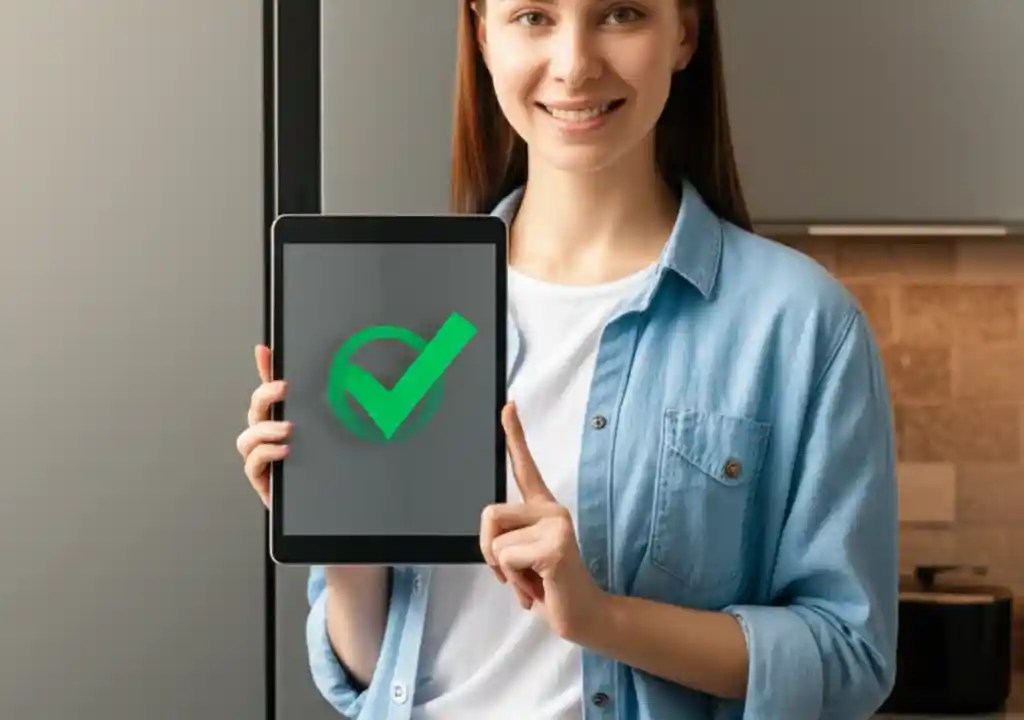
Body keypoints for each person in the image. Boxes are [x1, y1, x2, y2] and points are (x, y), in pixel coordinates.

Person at [236, 0, 898, 717]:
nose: (576, 64)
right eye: (533, 16)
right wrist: (343, 539)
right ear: (482, 34)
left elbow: (849, 658)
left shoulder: (798, 323)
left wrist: (603, 619)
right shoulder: (399, 307)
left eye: (621, 14)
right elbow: (372, 670)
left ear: (684, 32)